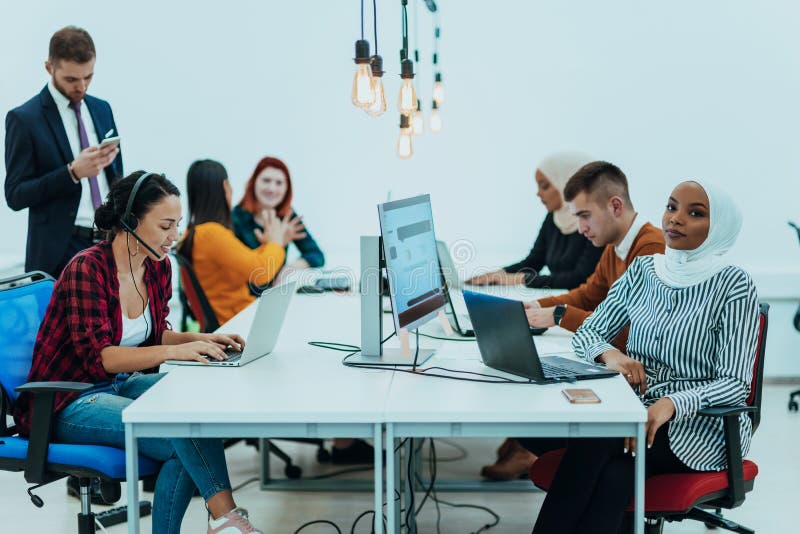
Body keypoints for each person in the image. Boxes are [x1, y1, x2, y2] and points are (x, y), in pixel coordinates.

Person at [12, 172, 264, 533]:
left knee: (197, 412)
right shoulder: (87, 269)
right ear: (131, 221)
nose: (174, 236)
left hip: (117, 385)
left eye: (177, 225)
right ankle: (226, 517)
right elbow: (103, 358)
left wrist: (206, 338)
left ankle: (224, 520)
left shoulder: (157, 266)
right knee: (181, 443)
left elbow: (153, 334)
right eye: (165, 226)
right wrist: (178, 350)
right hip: (68, 400)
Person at [532, 180, 759, 533]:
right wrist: (610, 355)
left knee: (596, 441)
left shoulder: (734, 285)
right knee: (616, 475)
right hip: (636, 413)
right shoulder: (644, 271)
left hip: (701, 426)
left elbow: (735, 384)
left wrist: (672, 403)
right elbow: (590, 333)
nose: (676, 218)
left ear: (718, 227)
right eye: (671, 207)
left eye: (695, 213)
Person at [483, 161, 666, 481]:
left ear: (615, 206)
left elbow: (635, 334)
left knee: (536, 406)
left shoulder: (650, 249)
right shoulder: (616, 246)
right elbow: (587, 294)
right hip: (622, 371)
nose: (580, 228)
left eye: (584, 216)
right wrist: (535, 306)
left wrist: (558, 316)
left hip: (642, 384)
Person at [5, 26, 122, 277]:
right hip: (60, 250)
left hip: (109, 243)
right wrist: (72, 173)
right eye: (71, 79)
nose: (82, 86)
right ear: (49, 67)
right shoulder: (25, 119)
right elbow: (15, 195)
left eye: (88, 77)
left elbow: (115, 178)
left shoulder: (102, 109)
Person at [177, 159, 299, 325]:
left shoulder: (195, 233)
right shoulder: (212, 234)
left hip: (240, 318)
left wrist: (270, 244)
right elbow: (261, 272)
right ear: (226, 187)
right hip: (241, 321)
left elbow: (247, 261)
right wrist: (276, 243)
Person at [466, 152, 603, 289]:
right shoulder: (553, 218)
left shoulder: (595, 223)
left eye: (544, 186)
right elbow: (534, 262)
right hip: (562, 298)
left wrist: (521, 279)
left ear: (566, 183)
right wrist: (497, 275)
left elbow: (580, 279)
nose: (538, 193)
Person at [233, 156, 325, 282]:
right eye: (266, 180)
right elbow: (249, 273)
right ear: (254, 182)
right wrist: (278, 244)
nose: (272, 189)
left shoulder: (287, 216)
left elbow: (317, 255)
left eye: (279, 183)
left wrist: (290, 268)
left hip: (276, 290)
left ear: (287, 188)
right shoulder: (236, 218)